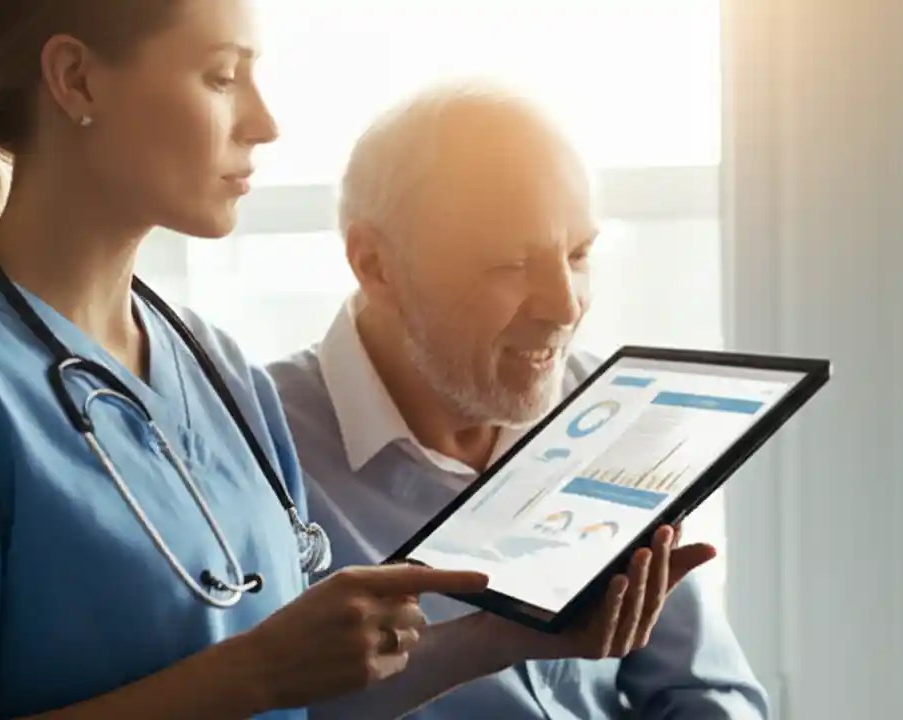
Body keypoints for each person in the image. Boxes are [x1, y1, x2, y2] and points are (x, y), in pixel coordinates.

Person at [0, 3, 696, 719]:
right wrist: (251, 676)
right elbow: (264, 682)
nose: (264, 123)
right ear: (75, 78)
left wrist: (507, 640)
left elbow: (307, 701)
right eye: (222, 77)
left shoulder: (217, 368)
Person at [268, 82, 770, 718]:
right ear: (377, 265)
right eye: (511, 264)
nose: (565, 307)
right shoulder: (257, 445)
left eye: (579, 254)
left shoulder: (608, 410)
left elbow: (704, 689)